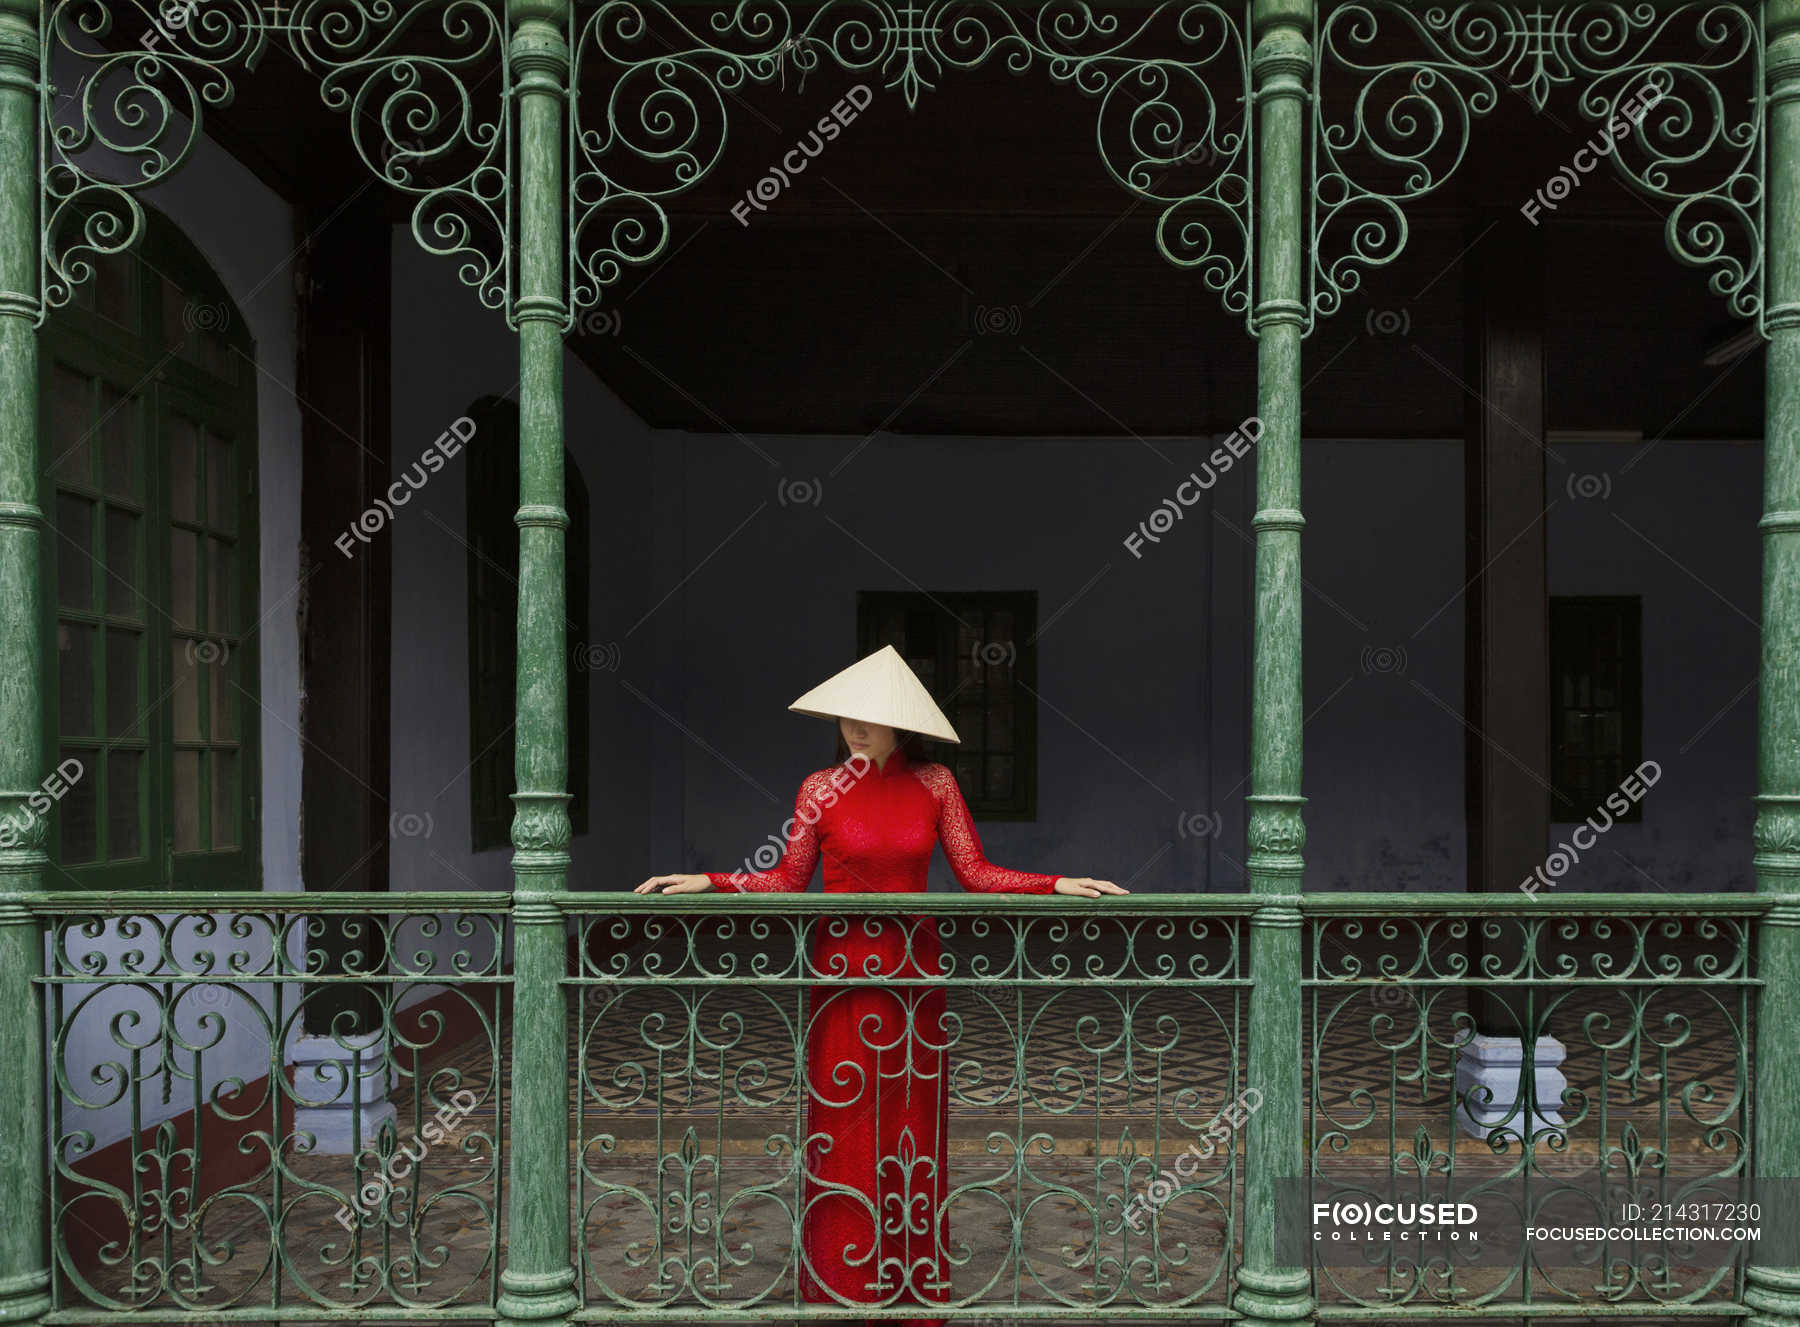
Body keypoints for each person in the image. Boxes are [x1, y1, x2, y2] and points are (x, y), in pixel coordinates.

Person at [638, 645, 1126, 1326]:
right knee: (844, 1127)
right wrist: (711, 880)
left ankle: (911, 1285)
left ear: (902, 721)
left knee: (910, 1124)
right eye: (846, 716)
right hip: (842, 978)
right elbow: (786, 879)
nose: (853, 727)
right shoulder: (820, 788)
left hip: (915, 976)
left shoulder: (936, 785)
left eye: (868, 716)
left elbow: (976, 873)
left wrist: (1058, 883)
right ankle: (843, 1288)